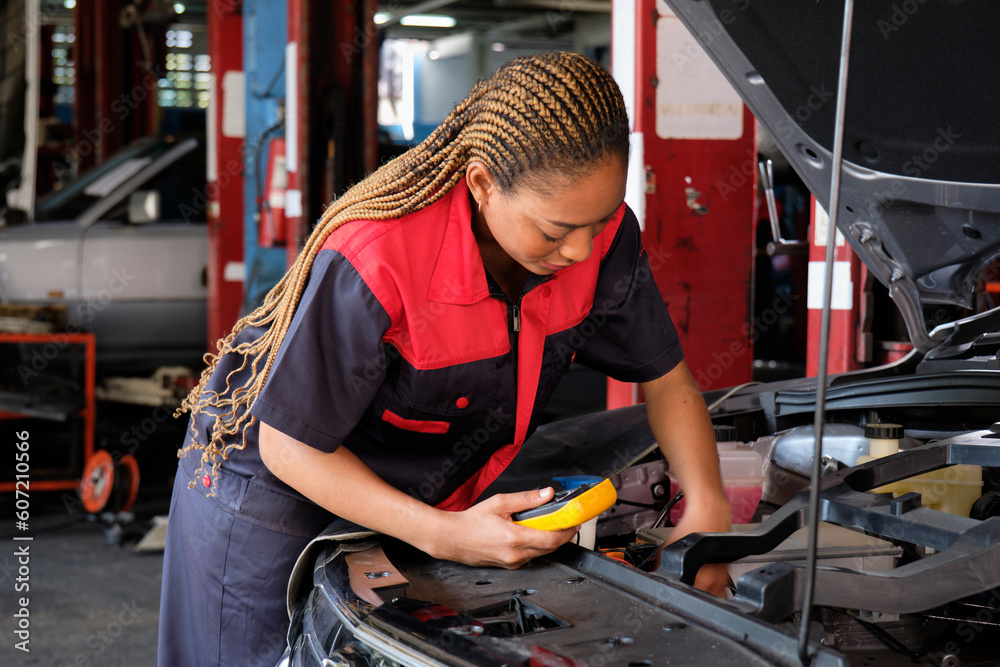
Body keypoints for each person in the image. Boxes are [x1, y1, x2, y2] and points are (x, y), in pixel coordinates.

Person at [158, 51, 731, 667]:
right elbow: (289, 446)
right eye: (555, 230)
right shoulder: (377, 261)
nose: (579, 250)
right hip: (273, 491)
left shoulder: (600, 237)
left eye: (599, 220)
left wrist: (708, 500)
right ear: (483, 185)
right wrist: (443, 534)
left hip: (416, 491)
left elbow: (666, 377)